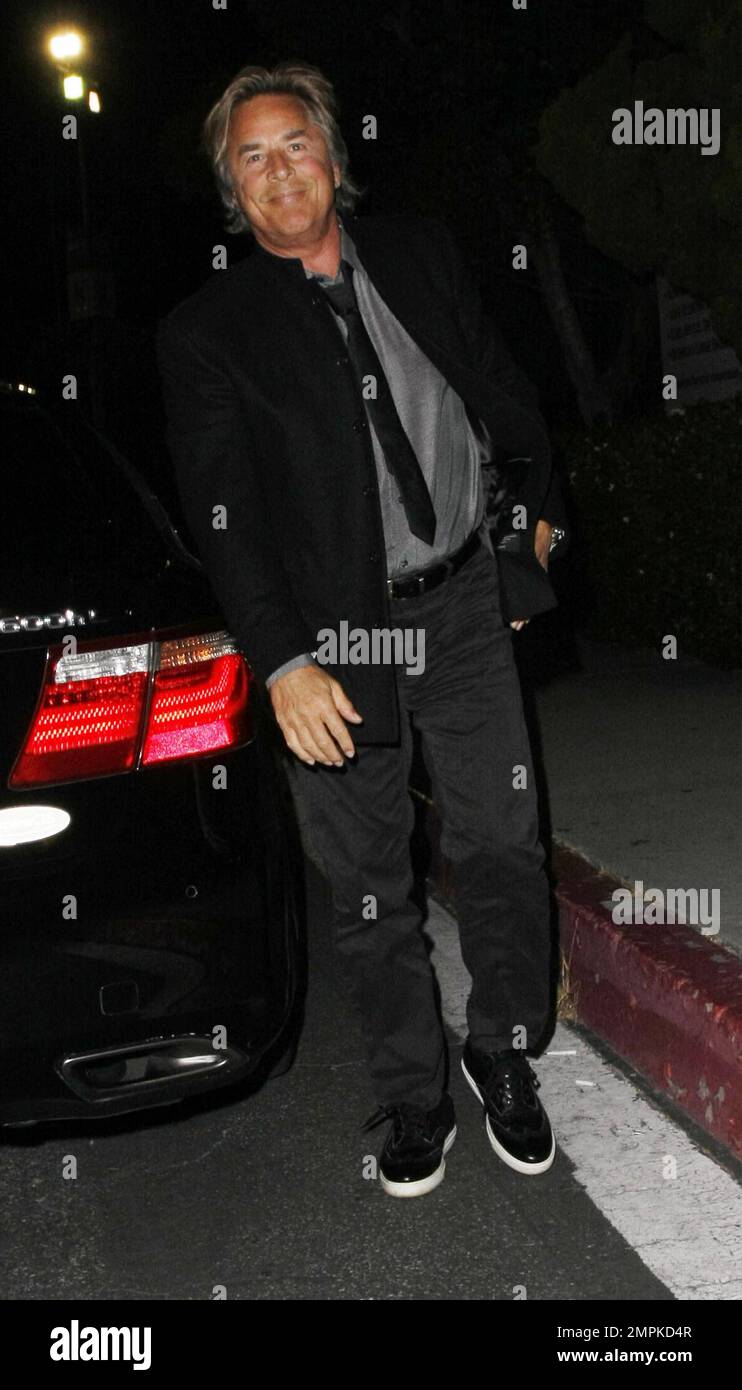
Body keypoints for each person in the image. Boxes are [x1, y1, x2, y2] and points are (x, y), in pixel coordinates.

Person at [157, 61, 566, 1199]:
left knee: (501, 841)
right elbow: (223, 516)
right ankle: (412, 1092)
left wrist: (534, 520)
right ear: (233, 194)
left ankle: (501, 1047)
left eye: (296, 144)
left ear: (336, 157)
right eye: (253, 156)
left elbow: (504, 393)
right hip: (335, 646)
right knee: (372, 885)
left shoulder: (423, 255)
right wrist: (280, 658)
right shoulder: (210, 332)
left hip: (465, 604)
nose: (280, 170)